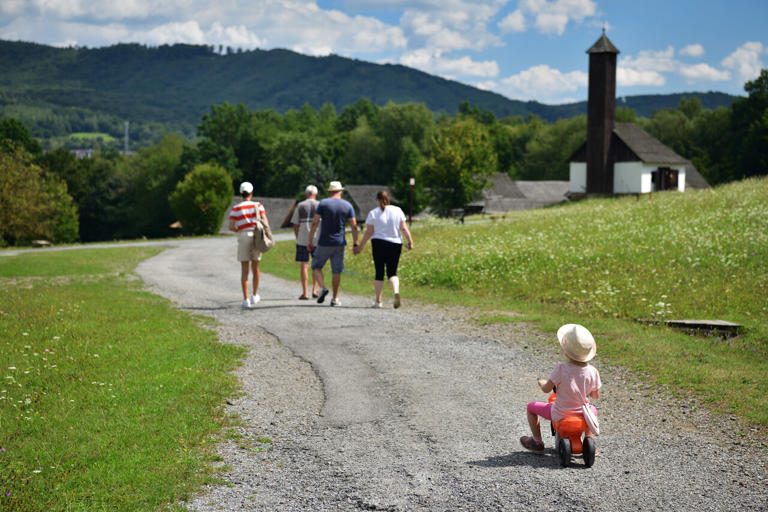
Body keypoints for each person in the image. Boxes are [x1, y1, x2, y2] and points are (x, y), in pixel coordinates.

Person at [520, 323, 601, 453]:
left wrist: (542, 383)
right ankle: (589, 440)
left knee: (531, 407)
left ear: (566, 351)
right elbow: (595, 395)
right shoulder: (593, 371)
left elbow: (546, 389)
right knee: (593, 410)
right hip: (583, 414)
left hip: (560, 413)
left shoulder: (561, 368)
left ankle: (537, 441)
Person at [353, 190, 414, 309]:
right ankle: (396, 292)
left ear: (377, 200)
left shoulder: (373, 213)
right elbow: (404, 228)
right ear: (388, 199)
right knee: (392, 272)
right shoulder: (398, 210)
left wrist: (360, 246)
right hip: (395, 243)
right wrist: (410, 241)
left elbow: (369, 232)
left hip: (378, 243)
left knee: (379, 272)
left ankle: (378, 301)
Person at [307, 181, 358, 307]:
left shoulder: (323, 203)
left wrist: (310, 239)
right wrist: (356, 243)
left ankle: (323, 287)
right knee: (336, 271)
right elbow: (354, 225)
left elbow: (315, 222)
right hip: (339, 242)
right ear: (341, 191)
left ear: (330, 192)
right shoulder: (347, 205)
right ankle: (335, 298)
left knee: (316, 266)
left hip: (324, 241)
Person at [228, 181, 269, 309]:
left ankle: (245, 299)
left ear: (241, 194)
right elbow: (265, 221)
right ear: (251, 193)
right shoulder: (258, 205)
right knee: (256, 267)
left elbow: (231, 226)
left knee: (244, 269)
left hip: (244, 235)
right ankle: (254, 295)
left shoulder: (236, 208)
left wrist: (239, 230)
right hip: (256, 235)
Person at [291, 185, 320, 300]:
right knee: (316, 265)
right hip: (317, 238)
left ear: (306, 194)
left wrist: (298, 237)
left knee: (304, 265)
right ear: (316, 194)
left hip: (303, 238)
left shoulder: (301, 205)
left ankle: (305, 293)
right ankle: (315, 290)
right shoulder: (320, 205)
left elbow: (295, 224)